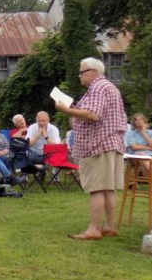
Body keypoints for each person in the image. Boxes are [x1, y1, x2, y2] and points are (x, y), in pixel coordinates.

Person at [54, 57, 127, 239]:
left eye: (82, 72)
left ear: (93, 71)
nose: (79, 76)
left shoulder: (97, 88)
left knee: (97, 188)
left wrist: (67, 110)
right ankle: (109, 226)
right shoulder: (110, 87)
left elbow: (93, 115)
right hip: (112, 143)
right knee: (108, 187)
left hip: (97, 144)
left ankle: (94, 229)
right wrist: (76, 109)